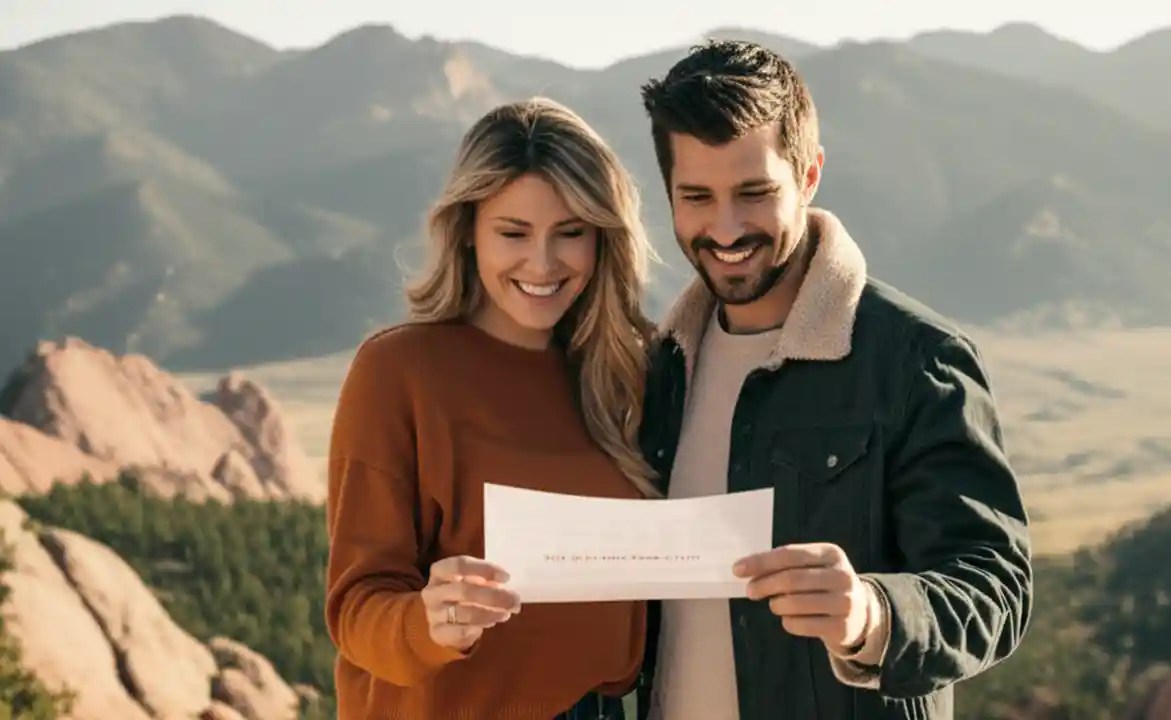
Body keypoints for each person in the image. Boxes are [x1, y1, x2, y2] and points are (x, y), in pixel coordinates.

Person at [633, 40, 1033, 720]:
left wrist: (872, 614)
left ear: (810, 173)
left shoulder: (915, 358)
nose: (724, 228)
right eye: (696, 196)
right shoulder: (655, 371)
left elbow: (996, 588)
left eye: (754, 193)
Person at [324, 96, 659, 720]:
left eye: (571, 233)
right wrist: (427, 622)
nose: (543, 264)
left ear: (603, 239)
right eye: (513, 233)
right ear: (468, 232)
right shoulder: (399, 372)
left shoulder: (622, 374)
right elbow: (356, 607)